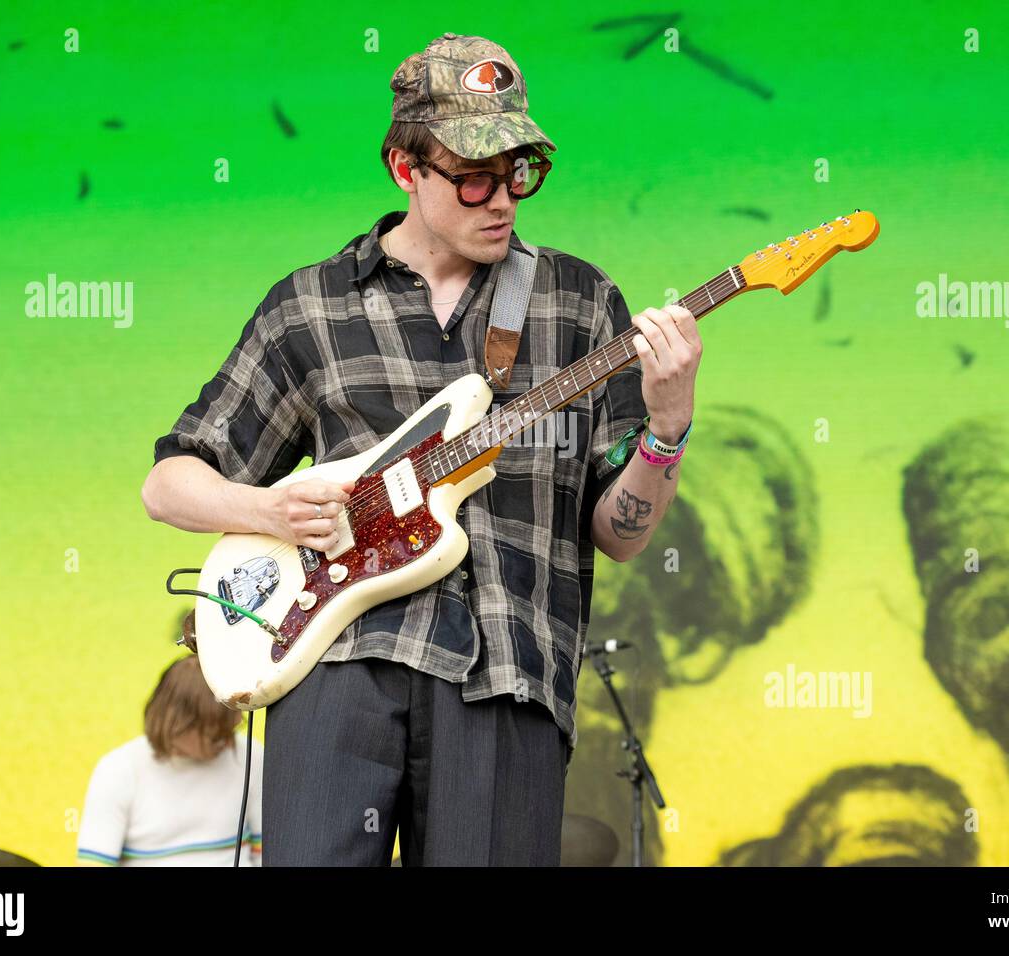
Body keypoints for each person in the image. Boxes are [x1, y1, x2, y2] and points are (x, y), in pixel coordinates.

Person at [141, 32, 701, 866]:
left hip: (508, 671)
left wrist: (666, 427)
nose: (503, 200)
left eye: (520, 172)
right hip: (335, 665)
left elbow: (621, 535)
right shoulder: (312, 306)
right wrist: (264, 507)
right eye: (476, 176)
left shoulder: (579, 301)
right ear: (405, 168)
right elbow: (170, 482)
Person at [76, 655, 263, 866]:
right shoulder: (118, 770)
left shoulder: (252, 755)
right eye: (216, 736)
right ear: (178, 724)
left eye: (231, 730)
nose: (229, 743)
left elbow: (270, 852)